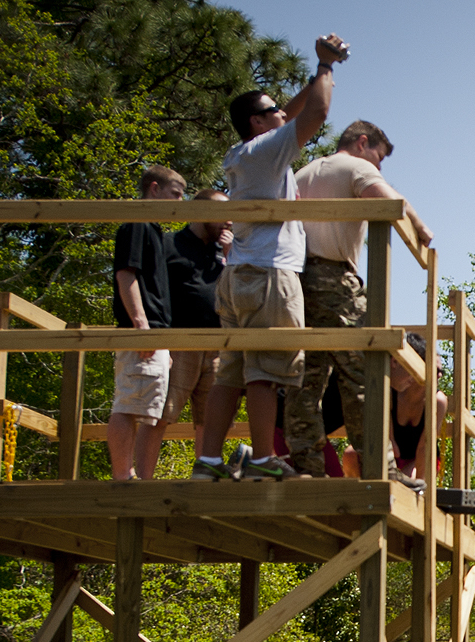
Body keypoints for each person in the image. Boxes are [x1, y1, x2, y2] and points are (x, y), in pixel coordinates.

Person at [197, 33, 350, 481]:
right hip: (268, 276)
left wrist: (308, 85)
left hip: (238, 276)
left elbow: (294, 110)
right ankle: (263, 460)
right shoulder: (266, 151)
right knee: (265, 373)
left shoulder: (244, 153)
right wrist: (325, 66)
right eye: (274, 112)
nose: (284, 114)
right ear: (257, 121)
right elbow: (317, 113)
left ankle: (208, 462)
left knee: (232, 373)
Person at [284, 119, 436, 477]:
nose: (378, 168)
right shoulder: (354, 166)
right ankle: (378, 466)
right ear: (362, 143)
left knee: (305, 378)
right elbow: (389, 201)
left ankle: (307, 466)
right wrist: (421, 227)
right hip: (335, 280)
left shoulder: (303, 173)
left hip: (296, 281)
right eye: (378, 158)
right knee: (365, 373)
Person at [105, 165, 185, 482]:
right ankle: (123, 476)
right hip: (142, 331)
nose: (179, 202)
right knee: (128, 405)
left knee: (146, 408)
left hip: (156, 334)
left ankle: (133, 476)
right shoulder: (138, 223)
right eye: (175, 194)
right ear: (154, 189)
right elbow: (126, 274)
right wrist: (141, 326)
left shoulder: (154, 231)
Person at [157, 186, 231, 471]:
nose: (229, 221)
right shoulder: (169, 244)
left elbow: (239, 291)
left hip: (218, 346)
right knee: (160, 414)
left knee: (211, 420)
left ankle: (205, 475)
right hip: (178, 343)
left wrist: (230, 255)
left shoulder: (226, 251)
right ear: (201, 211)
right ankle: (143, 482)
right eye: (223, 214)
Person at [390, 330, 445, 492]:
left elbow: (425, 447)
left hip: (421, 460)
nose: (440, 375)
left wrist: (420, 488)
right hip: (393, 456)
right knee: (351, 455)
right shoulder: (393, 391)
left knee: (408, 482)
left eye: (442, 371)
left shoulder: (437, 400)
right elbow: (391, 444)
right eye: (435, 370)